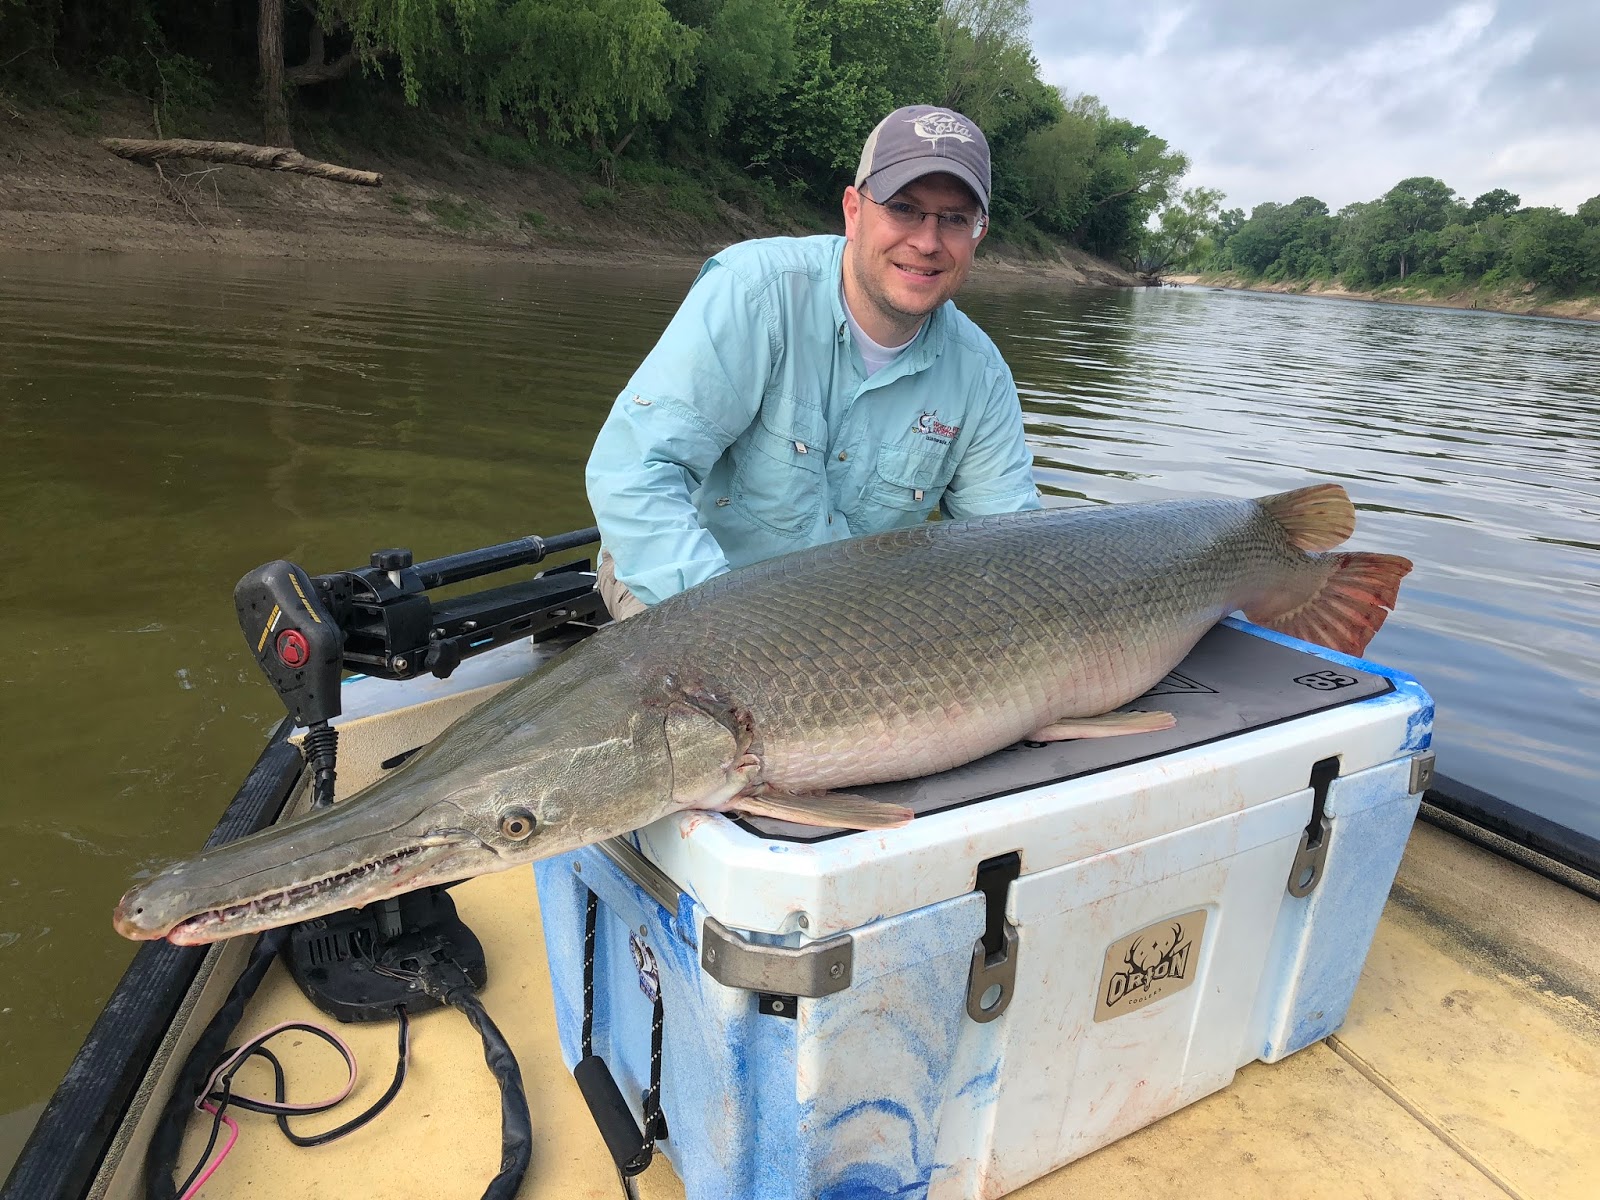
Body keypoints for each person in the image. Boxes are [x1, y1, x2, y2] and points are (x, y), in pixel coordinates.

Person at [585, 104, 1041, 619]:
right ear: (853, 210)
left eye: (954, 219)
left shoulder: (981, 375)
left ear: (978, 232)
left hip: (847, 619)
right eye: (903, 207)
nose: (927, 241)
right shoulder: (753, 291)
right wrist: (733, 632)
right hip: (686, 594)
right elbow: (633, 472)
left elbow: (1007, 554)